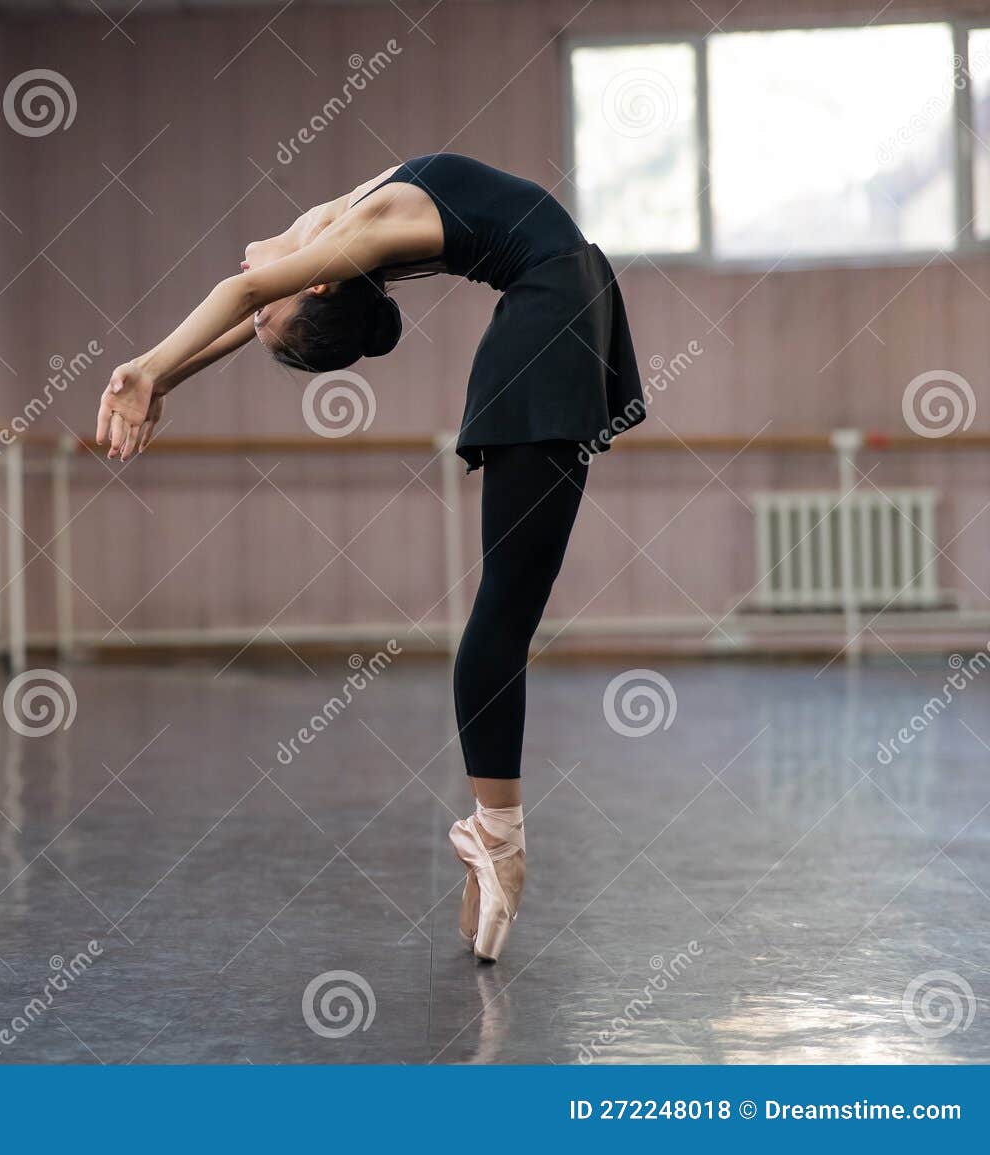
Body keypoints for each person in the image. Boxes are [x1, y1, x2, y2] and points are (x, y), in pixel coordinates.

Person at [95, 153, 644, 962]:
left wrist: (155, 369)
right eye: (265, 316)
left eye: (262, 315)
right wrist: (160, 373)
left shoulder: (360, 228)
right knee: (507, 605)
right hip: (558, 313)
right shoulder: (362, 233)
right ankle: (498, 837)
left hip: (557, 314)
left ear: (319, 279)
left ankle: (498, 838)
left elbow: (248, 297)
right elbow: (251, 299)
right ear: (320, 280)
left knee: (507, 604)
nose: (254, 301)